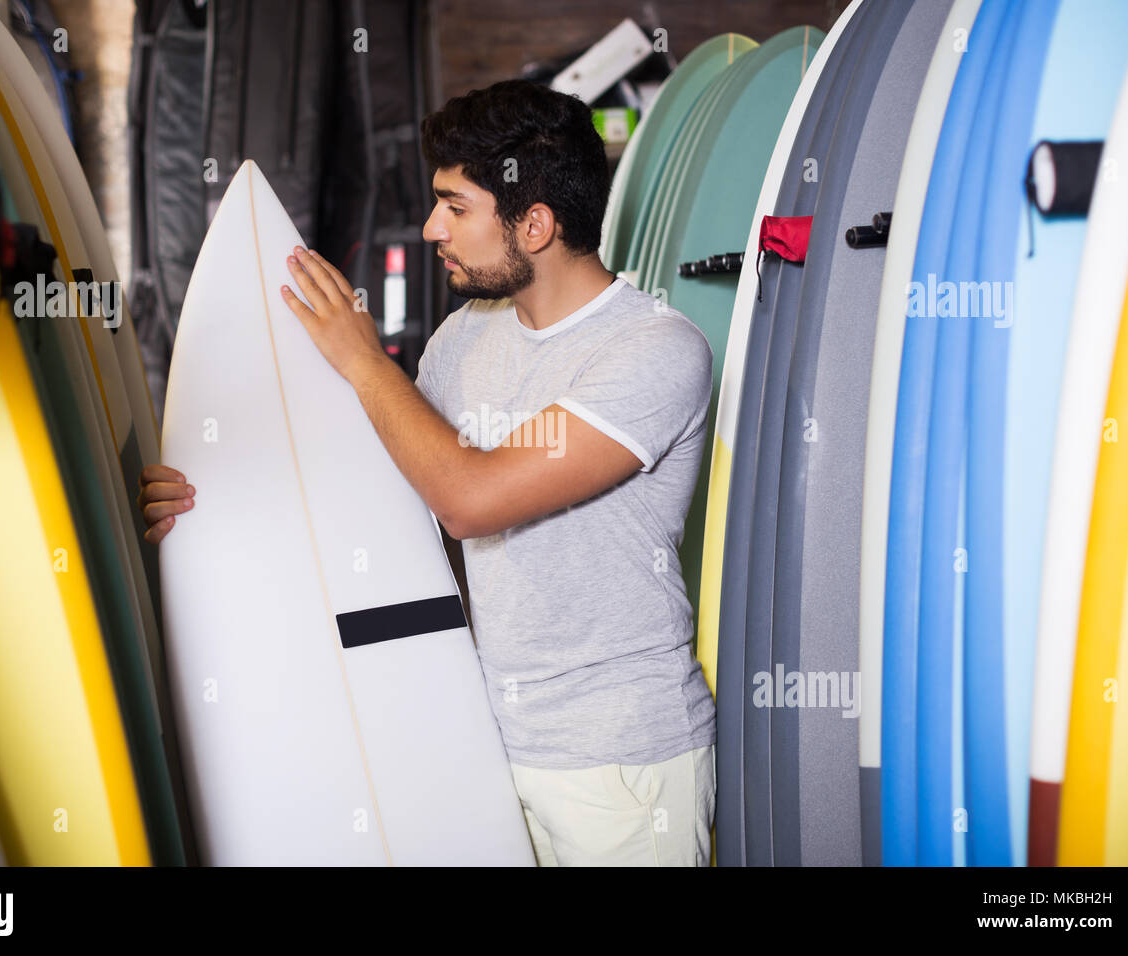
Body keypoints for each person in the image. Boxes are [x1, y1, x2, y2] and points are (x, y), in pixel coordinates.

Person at [139, 79, 716, 866]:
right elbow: (391, 489)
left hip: (621, 763)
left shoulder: (651, 352)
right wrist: (210, 504)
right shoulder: (463, 338)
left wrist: (360, 357)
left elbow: (471, 498)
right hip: (485, 736)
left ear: (536, 224)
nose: (431, 227)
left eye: (455, 206)